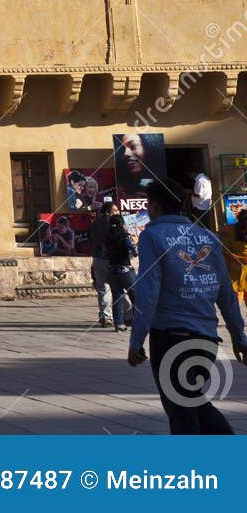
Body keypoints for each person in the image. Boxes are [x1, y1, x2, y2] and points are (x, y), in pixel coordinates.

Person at [127, 177, 247, 434]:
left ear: (156, 206)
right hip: (205, 339)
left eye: (149, 204)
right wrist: (239, 336)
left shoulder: (153, 236)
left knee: (182, 414)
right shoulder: (206, 236)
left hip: (171, 338)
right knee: (192, 403)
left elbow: (148, 291)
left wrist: (136, 341)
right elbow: (225, 291)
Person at [104, 212, 135, 333]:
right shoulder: (124, 236)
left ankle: (119, 324)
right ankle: (139, 321)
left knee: (117, 297)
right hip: (125, 270)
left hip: (112, 270)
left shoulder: (107, 237)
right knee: (135, 296)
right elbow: (134, 250)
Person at [89, 200, 116, 327]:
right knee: (121, 287)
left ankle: (105, 316)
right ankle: (127, 315)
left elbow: (90, 240)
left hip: (98, 258)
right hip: (111, 258)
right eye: (115, 211)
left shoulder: (94, 225)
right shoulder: (114, 224)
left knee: (103, 288)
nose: (117, 213)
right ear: (108, 211)